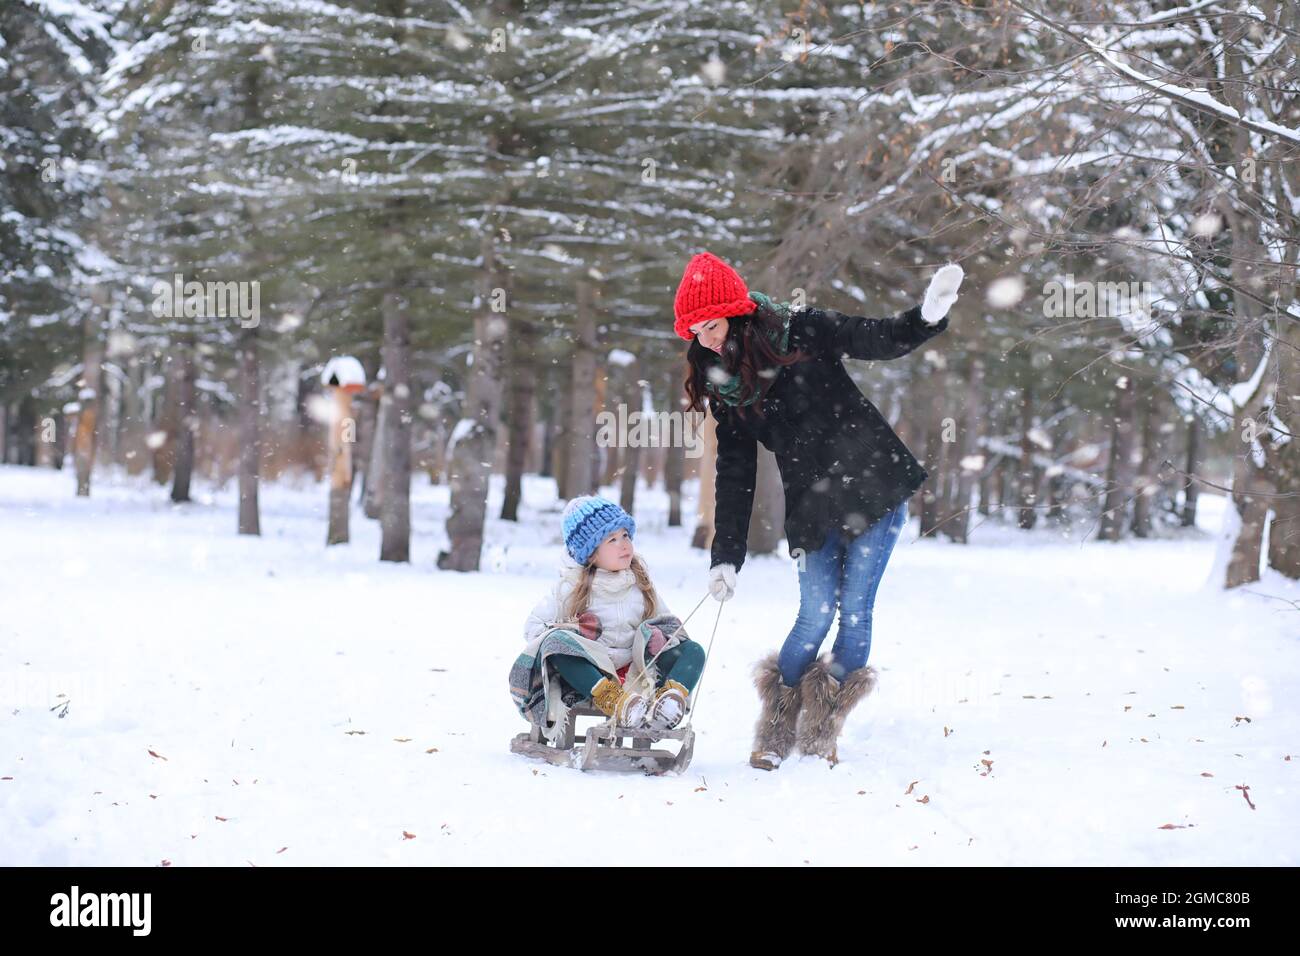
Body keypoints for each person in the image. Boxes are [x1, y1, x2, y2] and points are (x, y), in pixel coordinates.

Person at [674, 251, 962, 767]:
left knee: (854, 613)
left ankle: (821, 732)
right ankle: (776, 730)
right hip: (812, 504)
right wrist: (726, 555)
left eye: (711, 324)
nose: (705, 339)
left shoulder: (802, 329)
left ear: (737, 311)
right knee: (814, 615)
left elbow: (875, 338)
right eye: (694, 330)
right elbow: (735, 472)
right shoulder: (725, 384)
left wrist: (927, 317)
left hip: (874, 485)